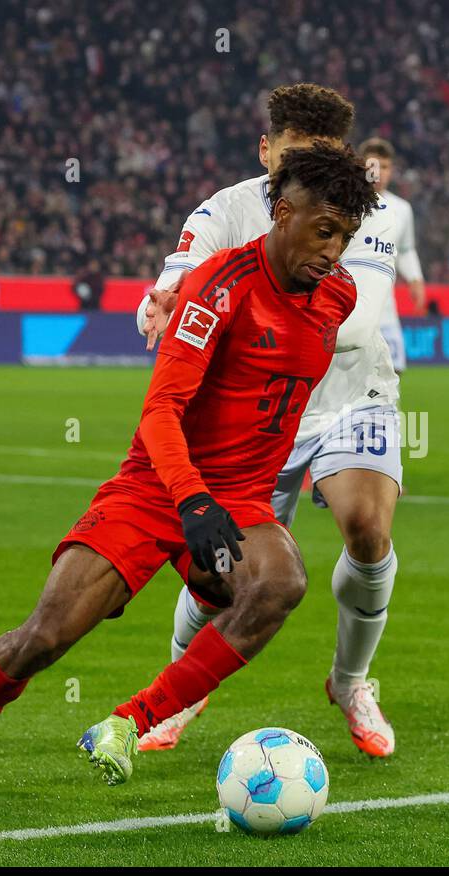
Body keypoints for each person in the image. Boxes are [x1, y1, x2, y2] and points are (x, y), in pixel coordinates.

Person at [0, 144, 379, 797]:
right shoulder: (218, 288)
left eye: (345, 236)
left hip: (239, 502)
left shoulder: (336, 297)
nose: (334, 250)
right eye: (323, 231)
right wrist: (192, 500)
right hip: (156, 488)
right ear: (282, 213)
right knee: (43, 638)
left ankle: (128, 722)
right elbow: (162, 410)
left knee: (280, 581)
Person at [135, 83, 403, 758]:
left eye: (318, 157)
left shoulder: (366, 211)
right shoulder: (224, 209)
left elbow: (360, 321)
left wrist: (249, 323)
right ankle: (182, 688)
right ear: (267, 149)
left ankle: (351, 681)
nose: (300, 172)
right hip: (251, 410)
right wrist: (160, 301)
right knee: (221, 557)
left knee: (368, 529)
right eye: (289, 155)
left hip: (349, 393)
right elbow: (182, 272)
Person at [357, 137, 425, 372]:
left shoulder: (402, 209)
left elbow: (405, 250)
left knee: (392, 373)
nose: (378, 172)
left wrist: (416, 279)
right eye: (372, 165)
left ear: (391, 170)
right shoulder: (346, 205)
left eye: (384, 167)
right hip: (351, 305)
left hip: (385, 308)